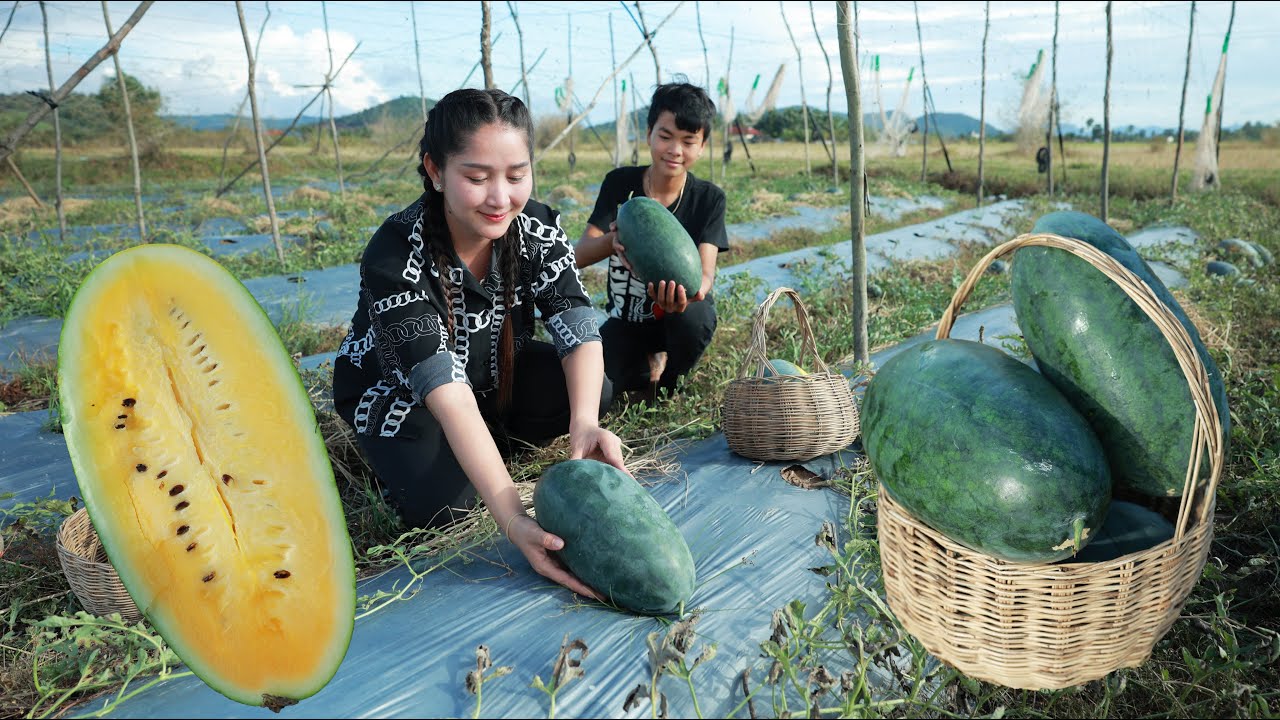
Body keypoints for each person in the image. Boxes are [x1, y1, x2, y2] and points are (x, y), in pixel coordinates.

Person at [332, 88, 623, 599]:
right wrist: (512, 518)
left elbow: (576, 323)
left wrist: (584, 425)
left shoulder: (535, 224)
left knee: (593, 389)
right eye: (476, 177)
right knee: (451, 509)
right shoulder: (396, 253)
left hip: (492, 380)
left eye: (516, 175)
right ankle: (437, 457)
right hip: (406, 400)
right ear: (435, 170)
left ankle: (489, 443)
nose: (500, 197)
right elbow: (445, 389)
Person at [574, 81, 729, 400]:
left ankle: (671, 384)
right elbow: (577, 256)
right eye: (666, 136)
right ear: (649, 134)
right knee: (596, 385)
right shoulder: (620, 184)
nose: (675, 150)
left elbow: (705, 275)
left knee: (695, 316)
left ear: (702, 147)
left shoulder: (709, 199)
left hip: (679, 317)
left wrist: (691, 294)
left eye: (689, 141)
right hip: (627, 321)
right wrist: (612, 241)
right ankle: (644, 366)